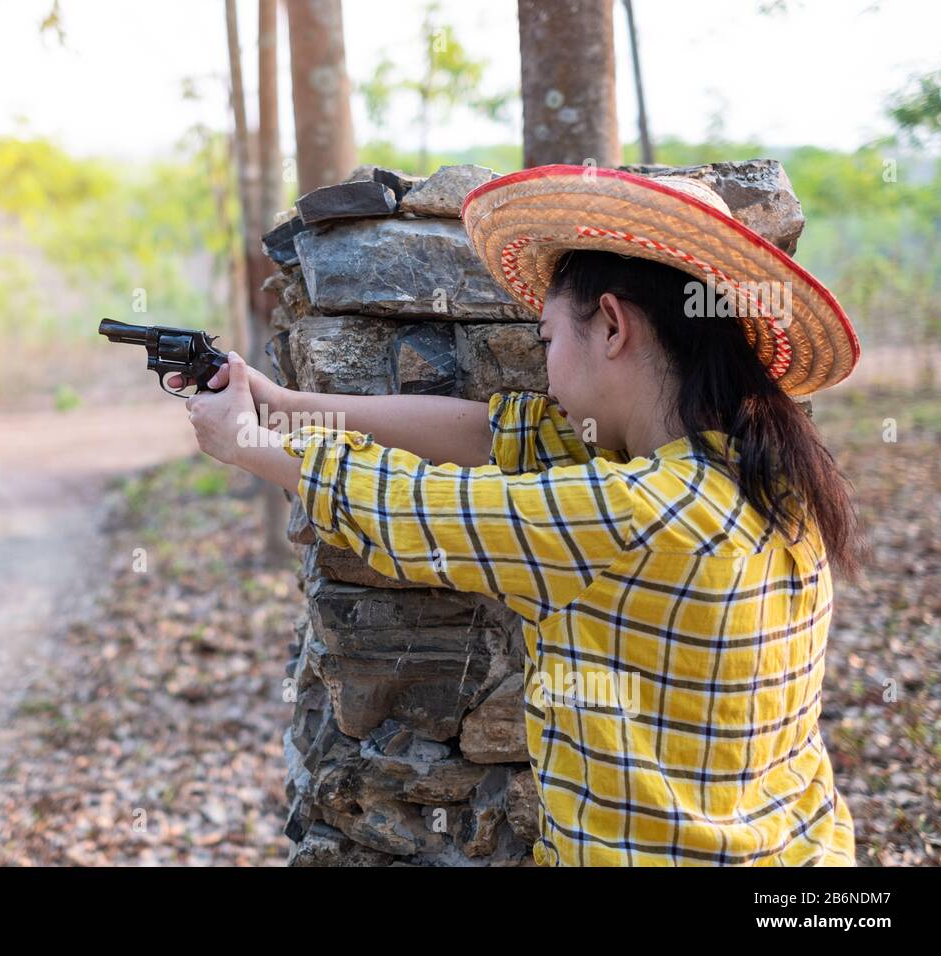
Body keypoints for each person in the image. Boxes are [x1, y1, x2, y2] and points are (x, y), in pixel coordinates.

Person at [172, 165, 867, 866]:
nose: (546, 370)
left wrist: (250, 447)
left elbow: (429, 509)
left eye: (547, 341)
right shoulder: (760, 471)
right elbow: (489, 437)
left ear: (613, 326)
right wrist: (287, 407)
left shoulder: (638, 510)